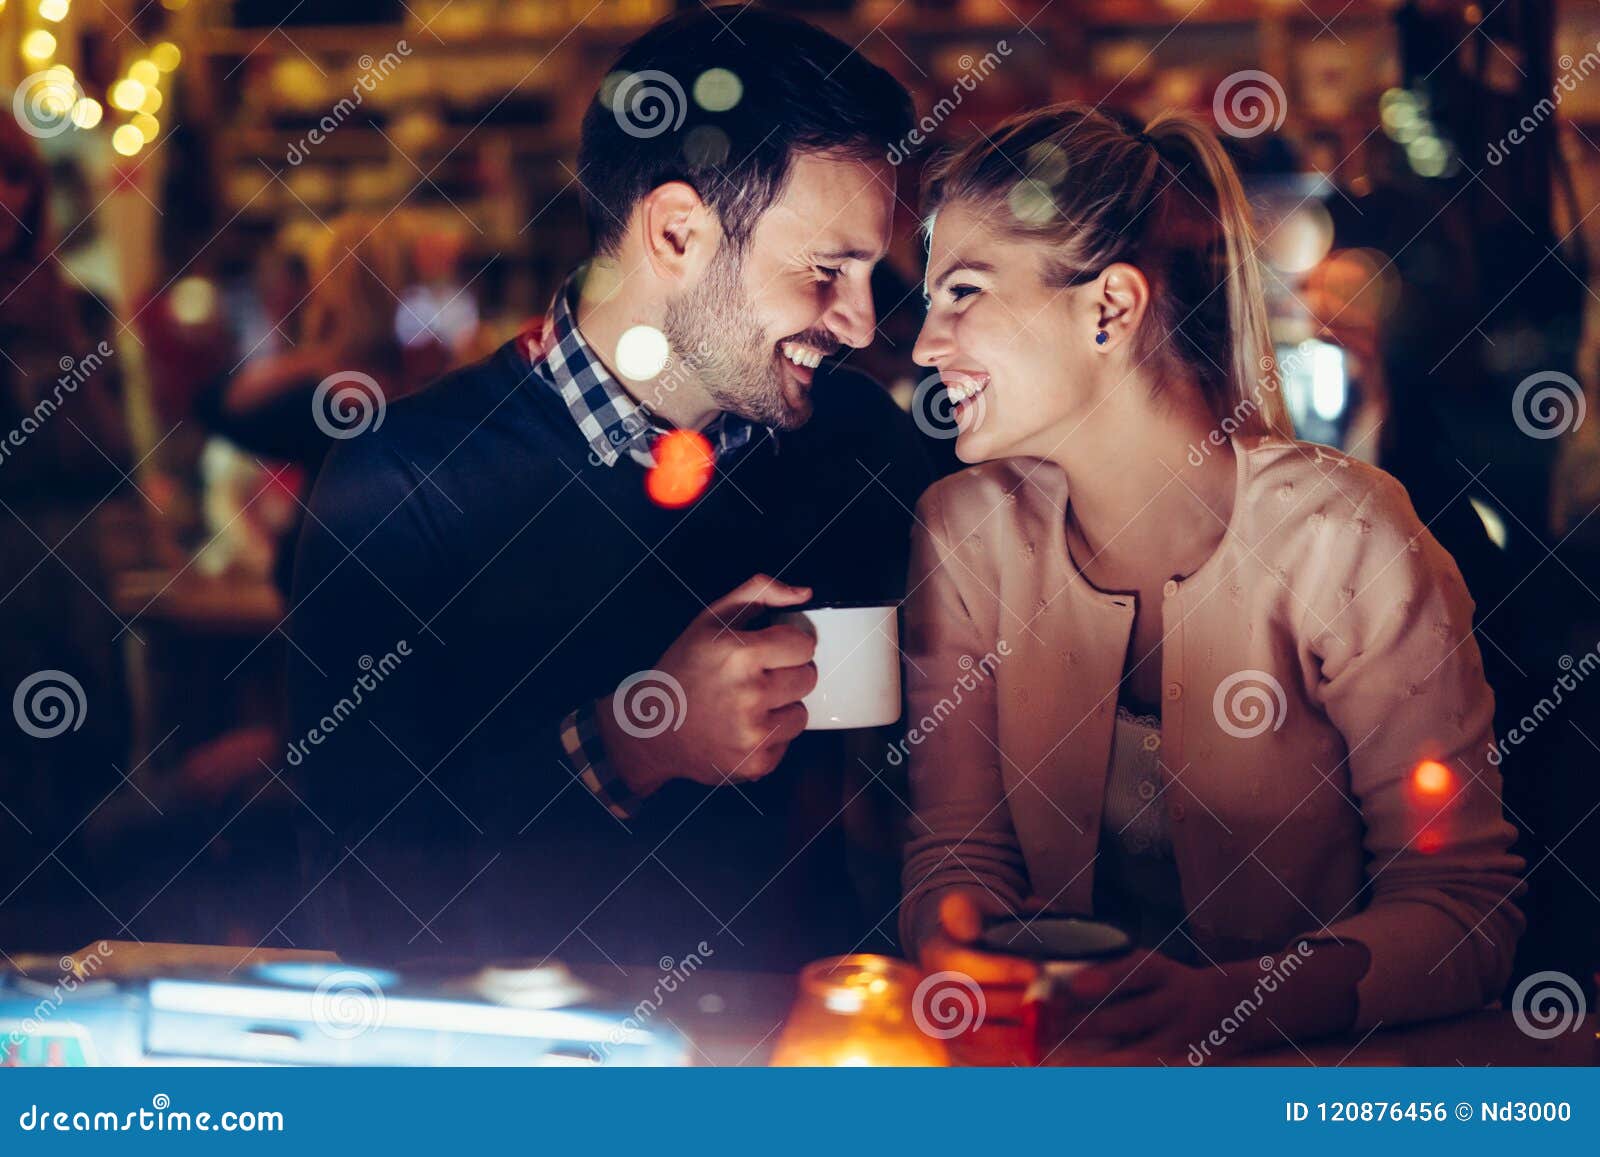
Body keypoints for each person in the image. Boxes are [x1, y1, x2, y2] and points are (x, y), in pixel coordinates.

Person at [285, 8, 928, 969]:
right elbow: (364, 904)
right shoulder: (403, 485)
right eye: (827, 269)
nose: (863, 321)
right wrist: (636, 738)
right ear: (677, 233)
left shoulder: (853, 443)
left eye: (875, 272)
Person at [899, 103, 1523, 1063]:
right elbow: (957, 854)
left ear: (1109, 307)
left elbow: (1462, 906)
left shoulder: (1343, 535)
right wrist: (979, 957)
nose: (923, 344)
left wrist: (1225, 1008)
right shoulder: (964, 531)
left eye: (963, 293)